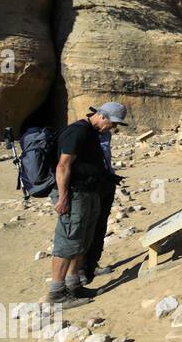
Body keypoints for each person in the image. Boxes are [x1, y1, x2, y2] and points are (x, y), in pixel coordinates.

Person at [46, 102, 127, 306]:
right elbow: (63, 166)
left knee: (83, 239)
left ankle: (74, 286)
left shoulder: (92, 133)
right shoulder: (77, 132)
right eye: (113, 123)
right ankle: (56, 293)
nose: (113, 128)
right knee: (69, 240)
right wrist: (63, 198)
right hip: (74, 194)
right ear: (102, 116)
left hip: (89, 193)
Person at [80, 110, 123, 285]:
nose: (114, 127)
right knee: (86, 227)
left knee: (100, 225)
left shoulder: (106, 135)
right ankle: (80, 268)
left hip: (106, 183)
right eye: (113, 123)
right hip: (91, 185)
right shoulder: (84, 133)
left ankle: (92, 264)